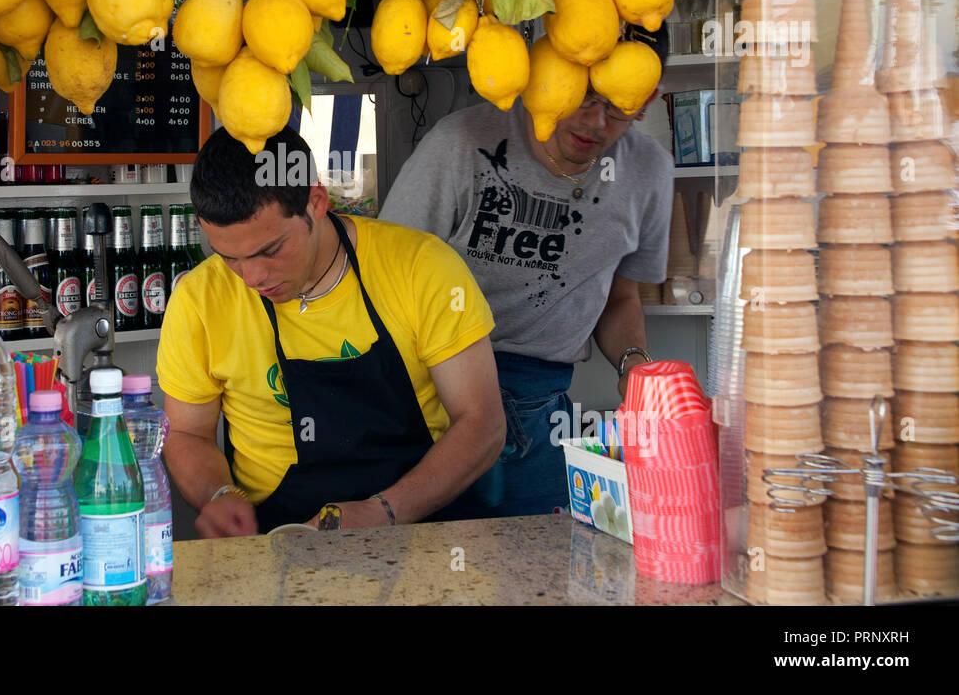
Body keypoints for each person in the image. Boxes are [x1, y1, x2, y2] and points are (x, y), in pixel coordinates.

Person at [157, 126, 505, 537]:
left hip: (419, 527)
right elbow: (186, 432)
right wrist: (218, 494)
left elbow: (481, 423)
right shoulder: (199, 299)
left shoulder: (422, 268)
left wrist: (384, 513)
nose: (251, 277)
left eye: (270, 251)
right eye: (229, 257)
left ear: (316, 203)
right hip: (277, 537)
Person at [379, 53, 673, 518]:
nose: (595, 121)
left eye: (617, 105)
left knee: (540, 570)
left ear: (647, 101)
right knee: (427, 569)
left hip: (542, 405)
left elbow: (619, 299)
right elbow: (385, 278)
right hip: (431, 389)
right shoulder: (462, 142)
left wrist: (636, 368)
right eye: (581, 96)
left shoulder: (648, 172)